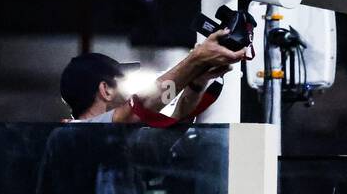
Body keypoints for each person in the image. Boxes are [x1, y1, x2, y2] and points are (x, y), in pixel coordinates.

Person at [58, 31, 249, 124]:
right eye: (121, 83)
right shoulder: (80, 131)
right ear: (105, 90)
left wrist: (197, 81)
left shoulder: (117, 132)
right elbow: (141, 107)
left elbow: (175, 117)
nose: (128, 90)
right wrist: (196, 59)